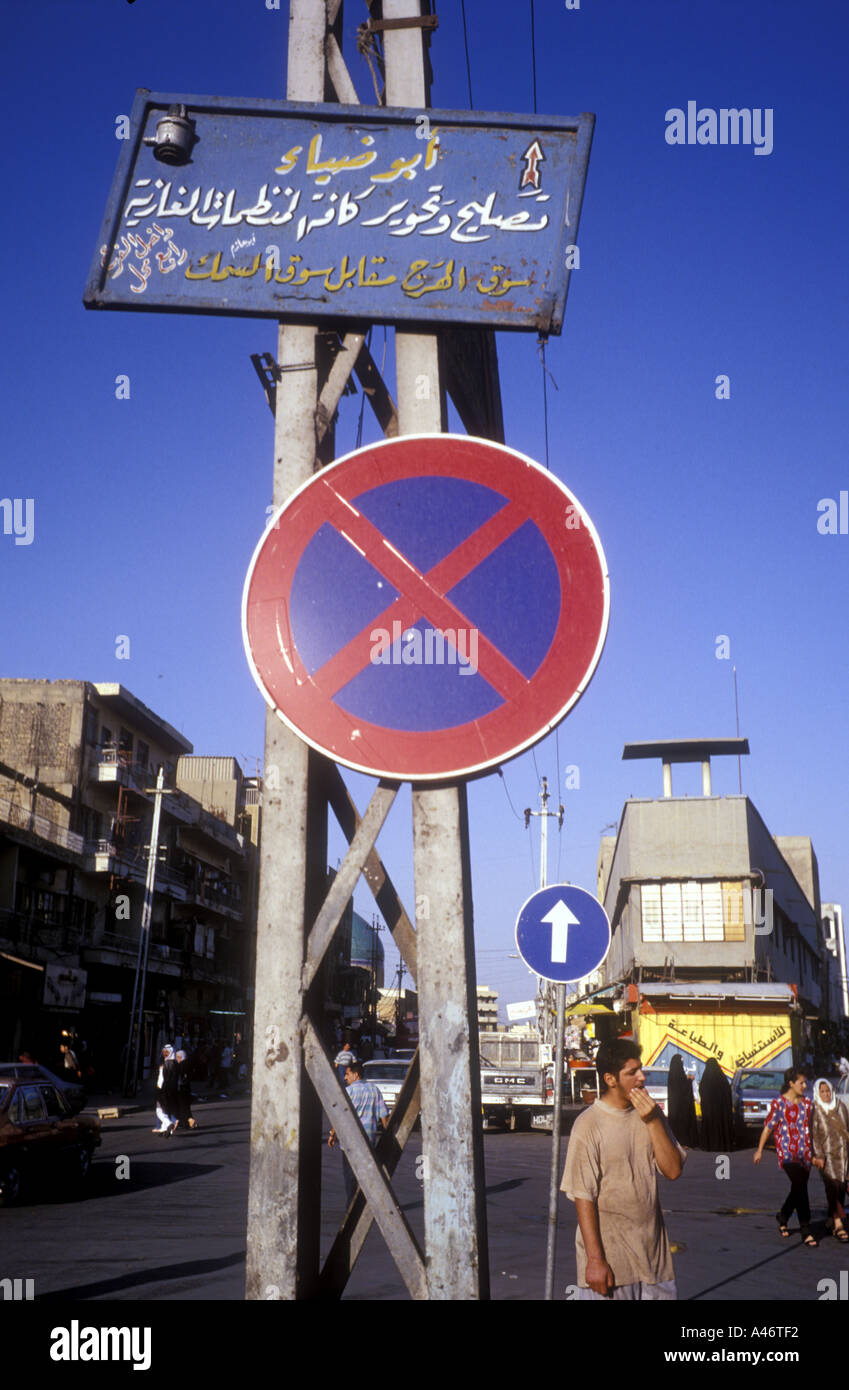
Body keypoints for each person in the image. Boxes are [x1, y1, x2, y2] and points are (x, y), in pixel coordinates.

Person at [561, 1038, 685, 1300]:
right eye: (632, 1072)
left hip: (654, 1261)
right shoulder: (588, 1125)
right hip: (611, 1264)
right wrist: (594, 1260)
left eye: (641, 1069)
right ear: (610, 1079)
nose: (641, 1077)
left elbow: (673, 1170)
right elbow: (583, 1196)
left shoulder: (650, 1113)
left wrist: (652, 1121)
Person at [753, 1067, 817, 1246]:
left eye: (805, 1082)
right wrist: (759, 1150)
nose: (805, 1086)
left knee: (798, 1187)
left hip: (805, 1153)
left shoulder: (807, 1103)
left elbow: (812, 1128)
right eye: (801, 1083)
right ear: (791, 1084)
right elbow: (768, 1127)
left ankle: (783, 1216)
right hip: (788, 1154)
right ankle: (806, 1229)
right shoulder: (779, 1104)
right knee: (800, 1186)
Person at [327, 1059, 389, 1206]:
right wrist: (388, 1135)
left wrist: (332, 1134)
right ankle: (365, 1205)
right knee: (367, 1176)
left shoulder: (348, 1092)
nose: (345, 1077)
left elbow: (339, 1115)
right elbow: (383, 1115)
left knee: (350, 1178)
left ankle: (351, 1207)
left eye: (347, 1074)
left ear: (356, 1075)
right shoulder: (374, 1089)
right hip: (369, 1141)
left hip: (349, 1142)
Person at [811, 1077, 849, 1241]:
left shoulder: (840, 1107)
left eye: (828, 1091)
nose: (826, 1094)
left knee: (841, 1188)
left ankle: (830, 1219)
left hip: (843, 1155)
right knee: (832, 1188)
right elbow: (814, 1136)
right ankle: (839, 1224)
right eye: (823, 1092)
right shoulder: (816, 1110)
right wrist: (818, 1155)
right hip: (826, 1158)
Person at [698, 1058, 734, 1150]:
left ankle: (710, 1145)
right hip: (721, 1112)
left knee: (710, 1126)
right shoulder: (722, 1079)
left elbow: (702, 1092)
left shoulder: (705, 1079)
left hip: (709, 1111)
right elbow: (728, 1094)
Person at [667, 1054, 699, 1148]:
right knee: (683, 1124)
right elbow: (683, 1088)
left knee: (676, 1124)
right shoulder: (679, 1074)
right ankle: (683, 1142)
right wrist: (689, 1080)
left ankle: (675, 1142)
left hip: (674, 1106)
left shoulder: (672, 1074)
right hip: (682, 1106)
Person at [152, 1045, 179, 1135]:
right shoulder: (174, 1063)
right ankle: (165, 1129)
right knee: (166, 1109)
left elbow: (165, 1078)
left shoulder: (168, 1064)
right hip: (171, 1089)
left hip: (164, 1089)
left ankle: (169, 1123)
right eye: (163, 1052)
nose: (164, 1054)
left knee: (159, 1110)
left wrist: (162, 1090)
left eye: (166, 1052)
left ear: (170, 1052)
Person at [173, 1049, 197, 1132]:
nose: (177, 1059)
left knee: (183, 1107)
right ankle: (188, 1123)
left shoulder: (182, 1065)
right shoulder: (187, 1063)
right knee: (186, 1107)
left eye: (178, 1057)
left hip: (182, 1089)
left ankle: (187, 1123)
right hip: (187, 1088)